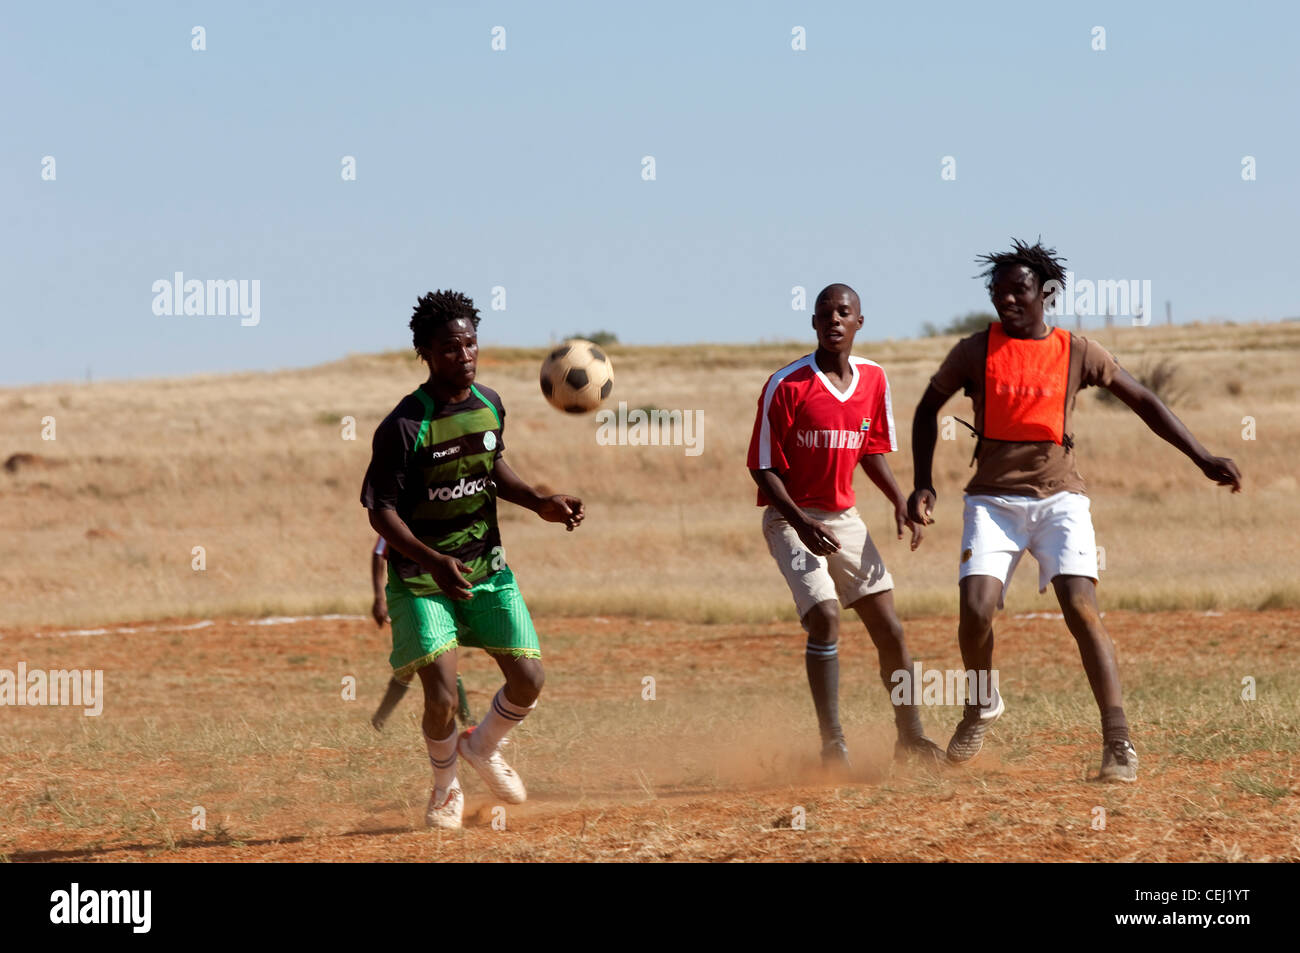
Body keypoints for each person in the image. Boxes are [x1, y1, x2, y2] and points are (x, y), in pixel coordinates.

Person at [907, 239, 1242, 782]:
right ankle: (981, 703)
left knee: (1081, 608)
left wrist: (1202, 457)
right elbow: (927, 409)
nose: (1007, 301)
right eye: (999, 293)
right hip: (991, 502)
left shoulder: (1078, 351)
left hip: (1061, 499)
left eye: (1018, 290)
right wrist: (922, 482)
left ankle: (1118, 744)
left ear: (1046, 293)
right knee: (974, 610)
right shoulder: (974, 350)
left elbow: (1146, 403)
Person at [360, 290, 585, 829]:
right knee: (439, 694)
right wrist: (432, 559)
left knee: (529, 678)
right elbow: (381, 513)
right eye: (449, 347)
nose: (463, 355)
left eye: (470, 343)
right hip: (421, 579)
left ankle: (481, 745)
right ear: (425, 352)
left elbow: (492, 466)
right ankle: (445, 791)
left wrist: (538, 502)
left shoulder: (489, 404)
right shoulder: (403, 426)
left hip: (488, 569)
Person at [747, 282, 946, 772]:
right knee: (827, 617)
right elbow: (762, 468)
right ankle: (833, 746)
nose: (834, 320)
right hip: (791, 517)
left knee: (892, 631)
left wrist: (900, 500)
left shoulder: (874, 380)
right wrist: (801, 521)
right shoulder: (787, 385)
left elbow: (870, 449)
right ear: (813, 324)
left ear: (860, 322)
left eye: (844, 312)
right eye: (824, 313)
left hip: (845, 520)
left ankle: (912, 740)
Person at [367, 534, 475, 732]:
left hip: (438, 597)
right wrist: (379, 598)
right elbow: (378, 553)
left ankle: (378, 722)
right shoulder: (396, 517)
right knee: (419, 661)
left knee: (437, 656)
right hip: (410, 598)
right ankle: (378, 722)